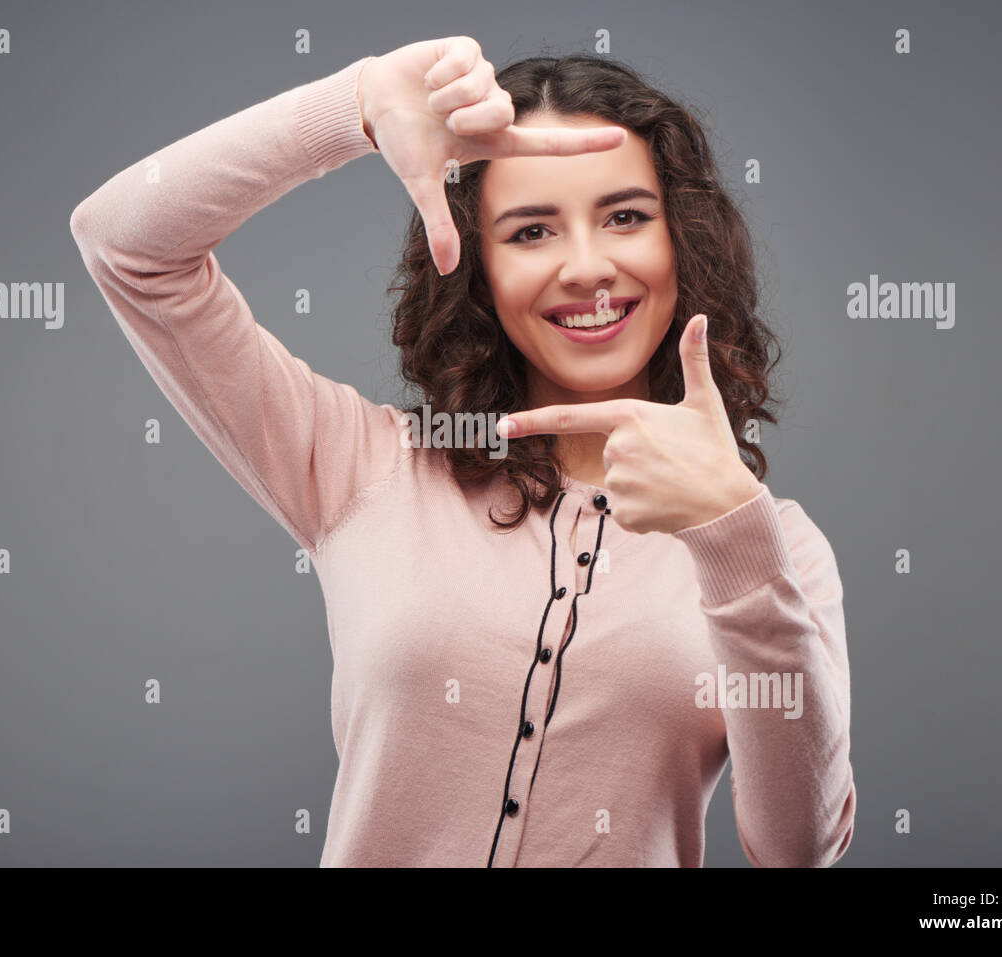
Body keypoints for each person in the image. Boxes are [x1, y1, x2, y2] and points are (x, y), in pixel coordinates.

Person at [70, 35, 856, 867]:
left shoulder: (777, 549)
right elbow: (126, 243)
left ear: (682, 243)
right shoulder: (365, 469)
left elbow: (798, 847)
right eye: (530, 231)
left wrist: (731, 534)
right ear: (476, 266)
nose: (588, 268)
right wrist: (357, 105)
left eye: (626, 216)